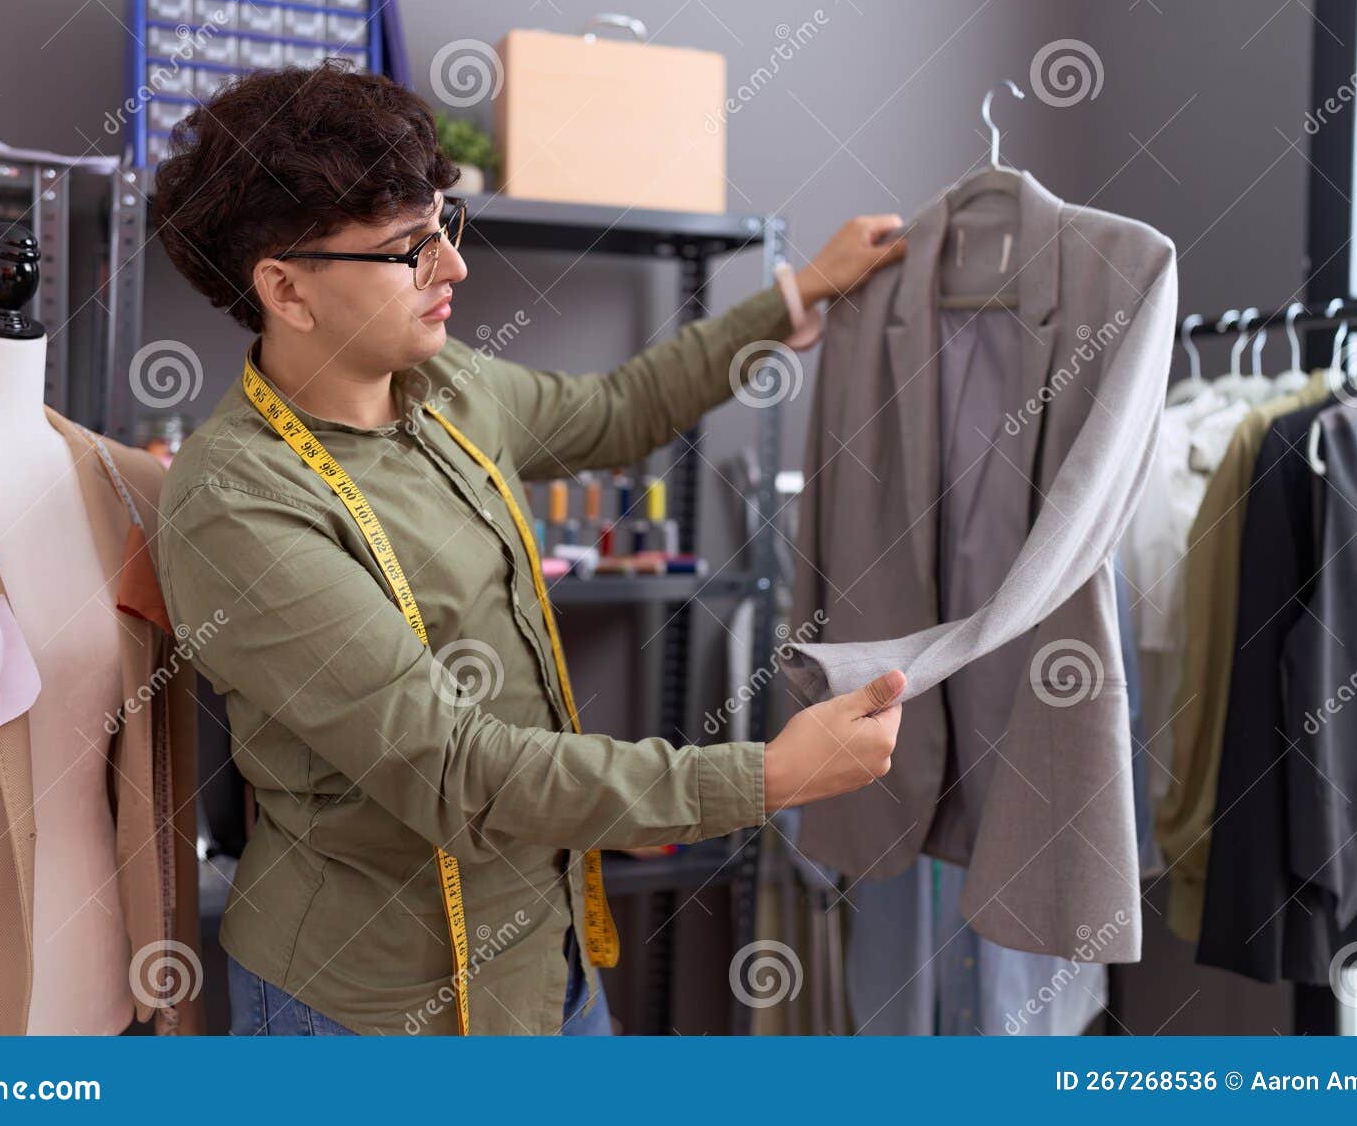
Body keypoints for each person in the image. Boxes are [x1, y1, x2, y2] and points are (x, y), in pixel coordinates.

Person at [148, 61, 908, 1037]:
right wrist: (766, 778)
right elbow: (459, 766)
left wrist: (796, 293)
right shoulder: (236, 502)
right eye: (406, 250)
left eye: (444, 229)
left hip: (549, 955)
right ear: (286, 288)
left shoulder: (446, 386)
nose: (453, 269)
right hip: (369, 1008)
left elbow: (616, 409)